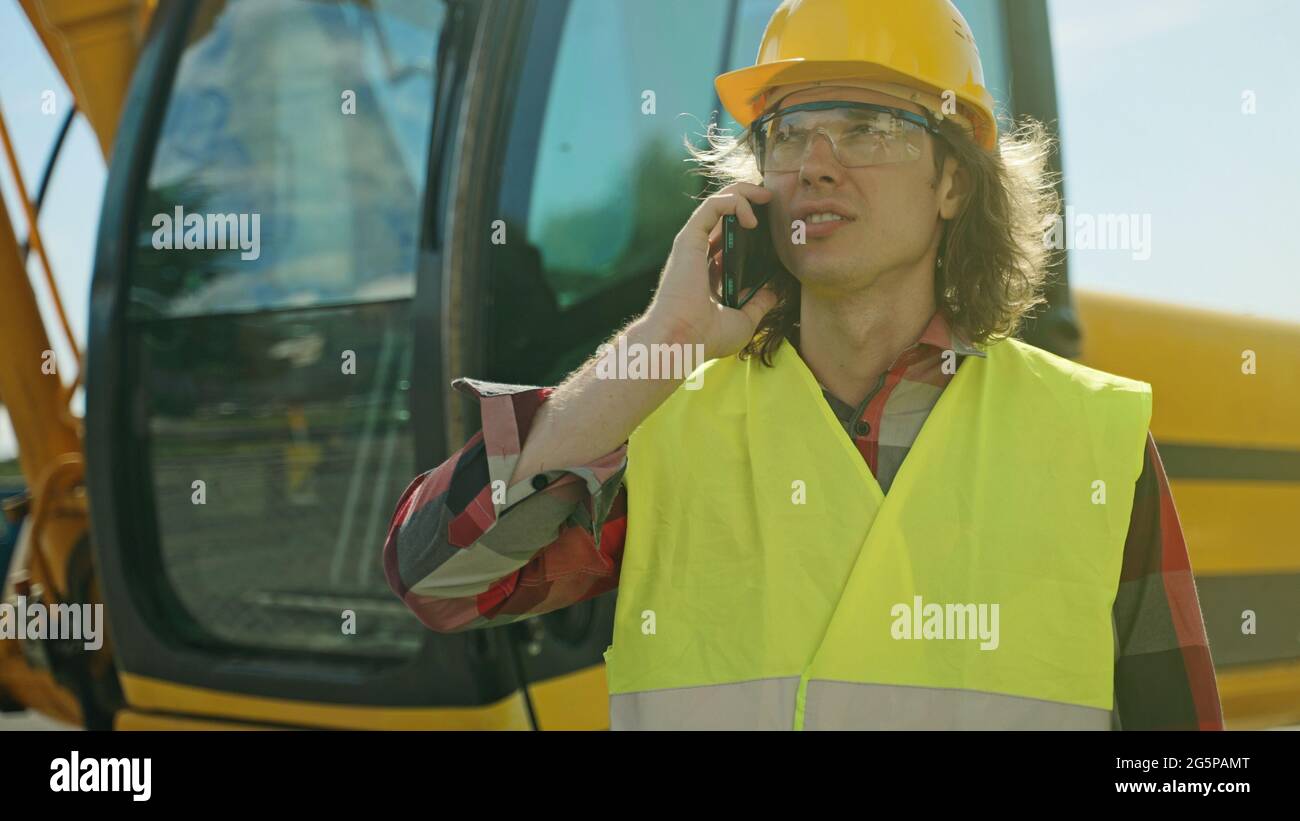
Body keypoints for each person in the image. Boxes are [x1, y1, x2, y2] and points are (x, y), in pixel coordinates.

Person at [383, 0, 1222, 730]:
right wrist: (656, 343)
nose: (816, 162)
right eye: (788, 134)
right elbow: (436, 578)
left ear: (954, 185)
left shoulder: (1093, 441)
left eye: (868, 127)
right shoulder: (659, 425)